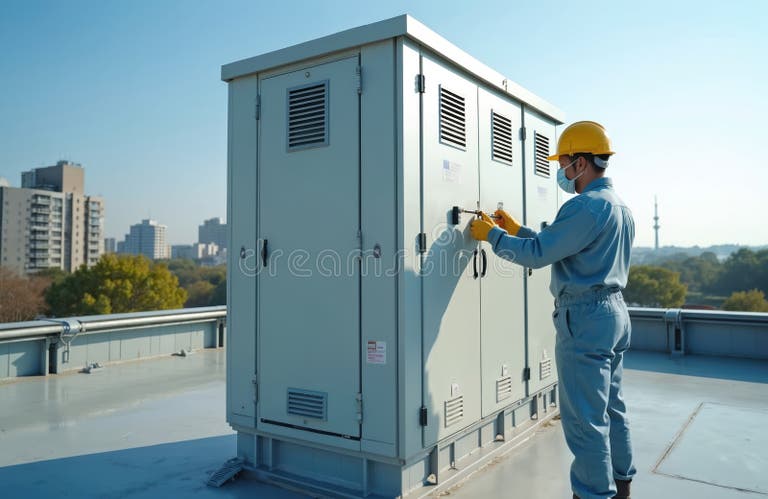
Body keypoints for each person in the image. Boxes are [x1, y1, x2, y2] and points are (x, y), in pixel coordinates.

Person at [470, 121, 636, 499]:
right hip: (615, 314)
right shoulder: (618, 206)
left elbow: (539, 255)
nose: (560, 170)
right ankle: (622, 484)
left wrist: (491, 236)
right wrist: (517, 229)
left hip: (586, 317)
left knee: (584, 419)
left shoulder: (585, 205)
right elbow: (559, 245)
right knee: (612, 408)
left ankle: (594, 494)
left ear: (580, 162)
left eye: (563, 162)